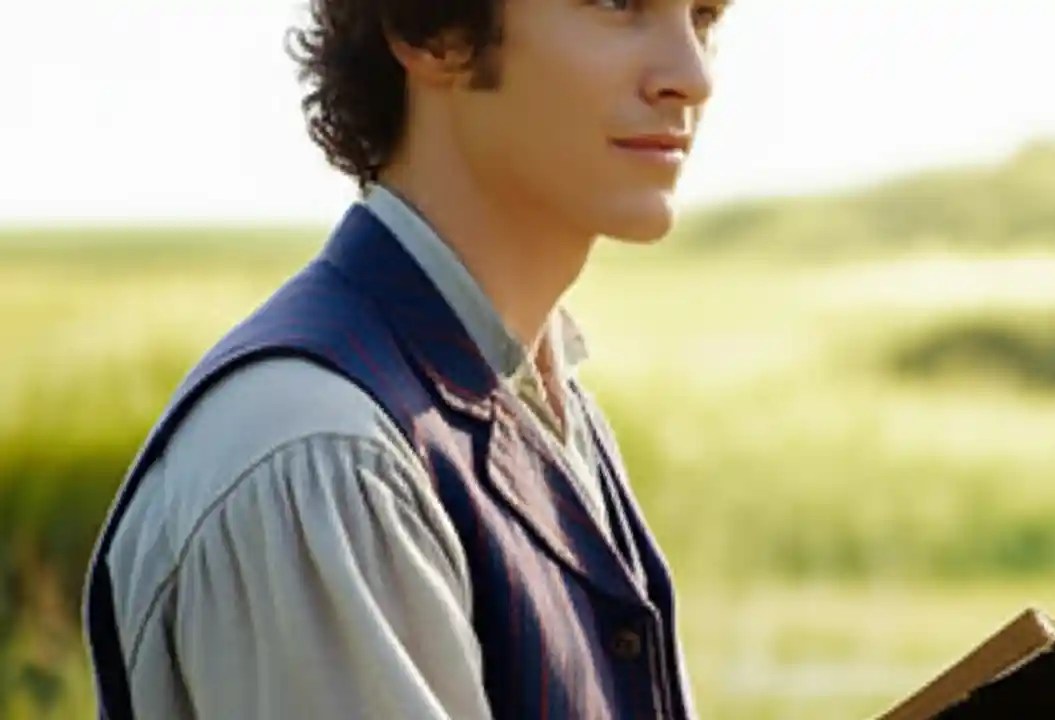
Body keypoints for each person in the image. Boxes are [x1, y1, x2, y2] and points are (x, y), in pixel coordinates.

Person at [82, 0, 731, 717]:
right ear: (431, 29)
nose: (692, 76)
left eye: (702, 15)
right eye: (618, 4)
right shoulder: (323, 459)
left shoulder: (542, 399)